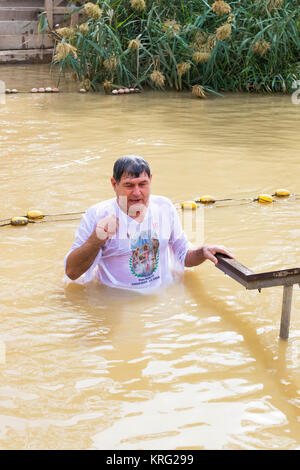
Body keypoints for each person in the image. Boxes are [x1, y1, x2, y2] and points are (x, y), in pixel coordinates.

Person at [65, 155, 234, 292]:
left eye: (143, 184)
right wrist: (98, 237)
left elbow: (183, 256)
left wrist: (203, 251)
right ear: (114, 184)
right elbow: (72, 272)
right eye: (129, 185)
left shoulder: (164, 207)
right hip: (117, 299)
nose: (137, 192)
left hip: (161, 300)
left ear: (151, 180)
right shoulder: (97, 214)